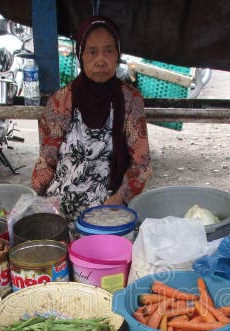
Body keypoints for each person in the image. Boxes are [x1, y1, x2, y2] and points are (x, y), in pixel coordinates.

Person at [31, 16, 152, 223]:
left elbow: (142, 164)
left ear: (117, 55)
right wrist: (34, 200)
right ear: (81, 55)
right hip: (59, 204)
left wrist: (119, 198)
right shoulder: (60, 102)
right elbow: (47, 159)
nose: (101, 60)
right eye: (92, 52)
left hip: (109, 205)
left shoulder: (130, 100)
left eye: (108, 51)